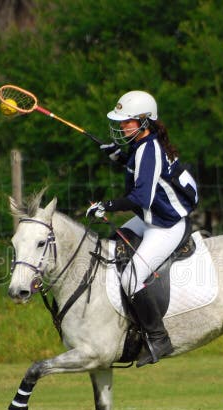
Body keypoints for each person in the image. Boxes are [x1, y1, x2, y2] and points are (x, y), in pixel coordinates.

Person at [86, 90, 197, 367]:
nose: (122, 126)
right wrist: (120, 157)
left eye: (127, 121)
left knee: (131, 279)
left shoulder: (150, 149)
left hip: (165, 224)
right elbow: (142, 169)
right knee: (112, 247)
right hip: (150, 218)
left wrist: (105, 206)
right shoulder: (141, 144)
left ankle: (158, 338)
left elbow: (140, 198)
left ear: (144, 121)